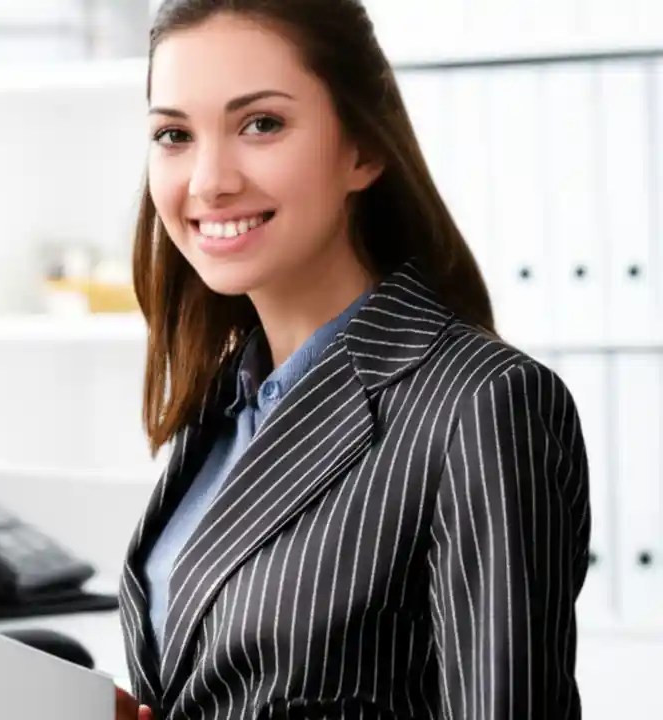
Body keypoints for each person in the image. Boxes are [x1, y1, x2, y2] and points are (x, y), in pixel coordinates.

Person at [114, 1, 591, 718]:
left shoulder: (481, 406)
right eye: (174, 134)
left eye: (260, 124)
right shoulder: (225, 404)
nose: (209, 180)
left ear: (363, 149)